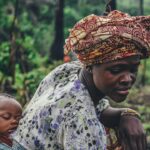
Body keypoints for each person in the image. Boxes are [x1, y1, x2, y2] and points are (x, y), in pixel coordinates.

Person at [14, 10, 150, 150]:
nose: (127, 79)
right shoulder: (80, 120)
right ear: (90, 66)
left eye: (133, 69)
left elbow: (99, 109)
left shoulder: (68, 71)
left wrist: (128, 114)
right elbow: (83, 114)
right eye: (116, 70)